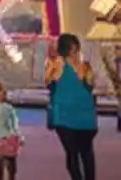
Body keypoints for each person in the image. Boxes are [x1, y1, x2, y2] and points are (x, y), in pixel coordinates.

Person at [46, 33, 97, 180]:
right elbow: (49, 84)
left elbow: (89, 86)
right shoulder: (58, 66)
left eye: (76, 51)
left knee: (81, 154)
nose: (74, 55)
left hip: (77, 117)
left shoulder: (82, 66)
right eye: (72, 51)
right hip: (72, 118)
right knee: (78, 153)